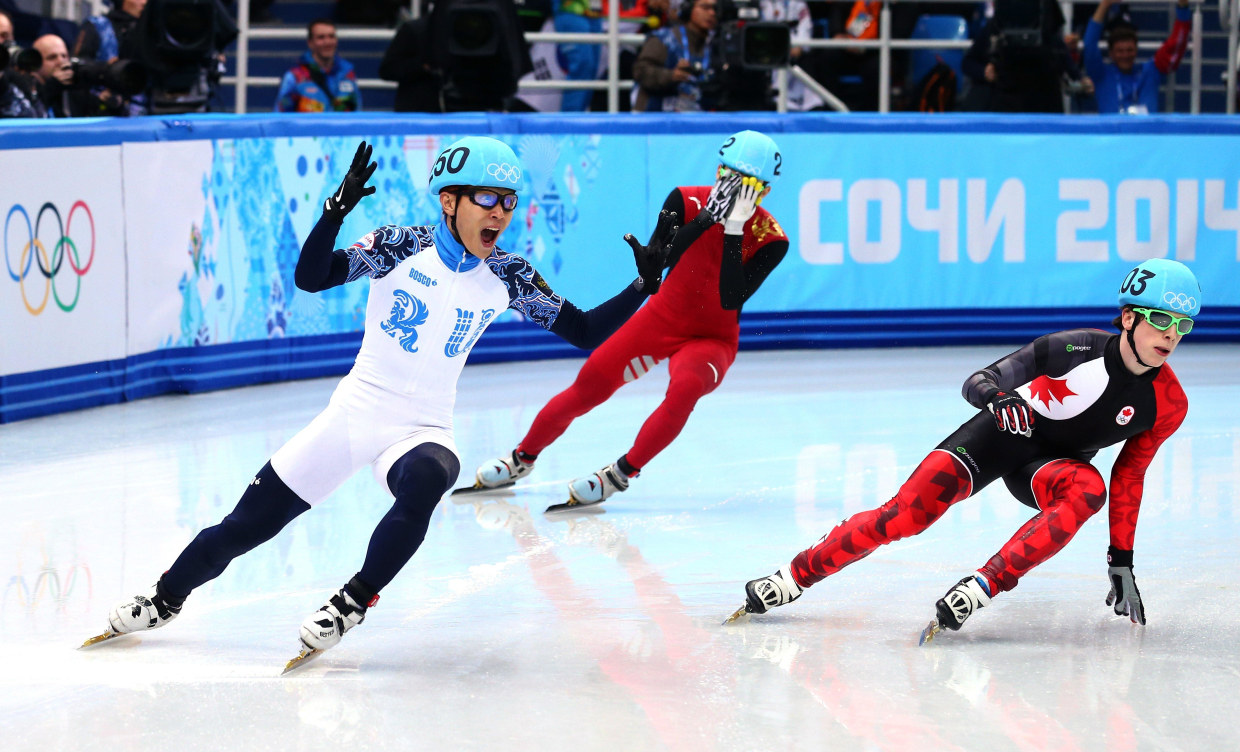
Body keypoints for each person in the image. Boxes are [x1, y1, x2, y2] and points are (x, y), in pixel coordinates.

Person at [89, 136, 677, 665]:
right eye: (486, 199)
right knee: (244, 529)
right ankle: (164, 599)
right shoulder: (399, 247)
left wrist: (642, 288)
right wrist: (334, 214)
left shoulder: (509, 275)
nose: (500, 212)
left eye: (508, 201)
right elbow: (312, 278)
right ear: (449, 202)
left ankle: (352, 601)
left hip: (422, 427)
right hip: (353, 415)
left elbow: (584, 331)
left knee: (430, 477)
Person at [735, 259, 1203, 641]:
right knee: (905, 516)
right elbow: (980, 379)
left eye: (1183, 325)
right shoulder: (1074, 348)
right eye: (1161, 319)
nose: (1171, 335)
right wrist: (998, 399)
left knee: (1090, 488)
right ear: (1128, 317)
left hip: (1049, 469)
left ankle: (983, 586)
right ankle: (792, 578)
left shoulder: (1169, 403)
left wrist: (1120, 558)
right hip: (999, 434)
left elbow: (1129, 478)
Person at [465, 130, 789, 509]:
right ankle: (522, 457)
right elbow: (659, 261)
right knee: (589, 385)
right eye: (724, 173)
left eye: (744, 183)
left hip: (712, 340)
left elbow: (731, 297)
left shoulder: (772, 239)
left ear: (763, 190)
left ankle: (621, 473)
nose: (729, 187)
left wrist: (733, 230)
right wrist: (704, 221)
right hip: (661, 318)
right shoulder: (685, 200)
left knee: (685, 389)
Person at [961, 0, 1081, 112]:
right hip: (1007, 104)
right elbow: (968, 63)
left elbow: (1068, 66)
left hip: (1044, 104)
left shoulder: (1049, 32)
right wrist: (984, 71)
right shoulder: (995, 27)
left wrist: (1079, 79)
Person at [1083, 0, 1190, 115]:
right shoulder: (1101, 74)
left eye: (1130, 50)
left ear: (1136, 50)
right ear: (1111, 53)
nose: (1125, 55)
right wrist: (1104, 4)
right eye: (1120, 51)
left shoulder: (1150, 71)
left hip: (1146, 132)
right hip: (1111, 132)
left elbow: (1176, 45)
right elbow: (1089, 44)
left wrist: (1183, 7)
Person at [632, 0, 717, 111]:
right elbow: (640, 71)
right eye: (705, 7)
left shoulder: (717, 43)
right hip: (658, 115)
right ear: (688, 9)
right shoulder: (665, 38)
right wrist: (671, 75)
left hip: (699, 116)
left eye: (715, 9)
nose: (711, 13)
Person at [72, 0, 146, 117]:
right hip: (103, 110)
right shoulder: (97, 25)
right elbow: (77, 65)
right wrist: (107, 68)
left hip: (146, 111)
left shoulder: (153, 32)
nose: (145, 3)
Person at [274, 18, 361, 112]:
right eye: (321, 37)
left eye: (331, 36)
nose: (328, 42)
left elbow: (357, 112)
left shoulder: (347, 74)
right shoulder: (295, 77)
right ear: (310, 43)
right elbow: (281, 117)